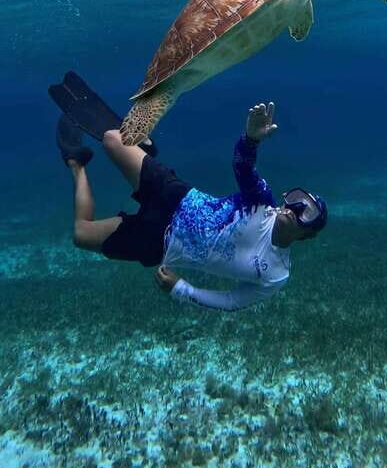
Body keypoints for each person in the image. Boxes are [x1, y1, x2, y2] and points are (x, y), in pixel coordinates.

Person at [51, 73, 327, 311]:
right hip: (177, 197)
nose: (295, 209)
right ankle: (144, 147)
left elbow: (233, 301)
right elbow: (243, 166)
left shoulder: (276, 274)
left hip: (160, 243)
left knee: (81, 234)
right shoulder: (262, 203)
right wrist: (251, 139)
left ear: (308, 234)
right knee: (112, 140)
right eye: (296, 200)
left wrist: (181, 289)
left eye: (307, 213)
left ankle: (76, 163)